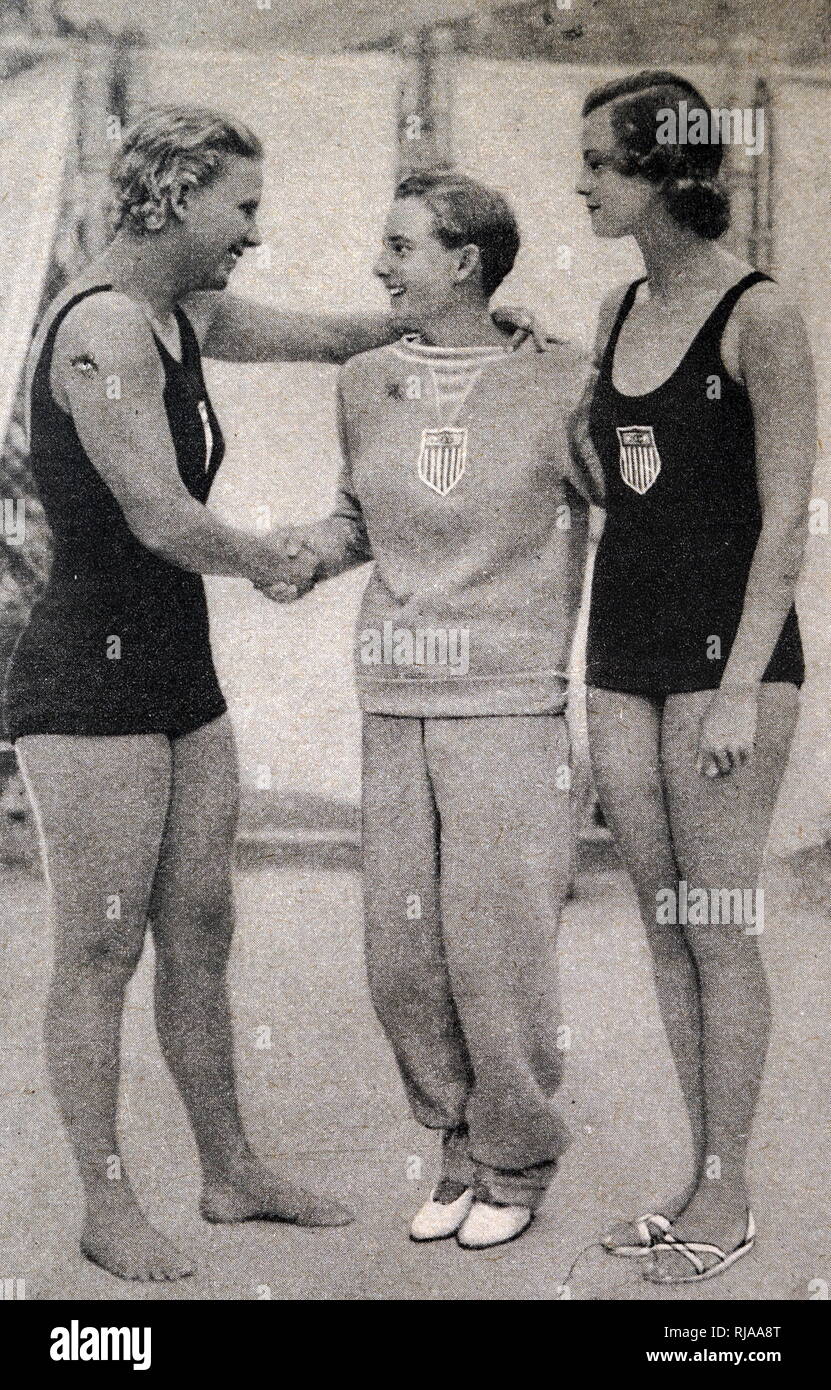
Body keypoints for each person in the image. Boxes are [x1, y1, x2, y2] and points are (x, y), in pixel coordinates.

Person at [2, 105, 539, 1283]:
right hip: (84, 679)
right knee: (98, 951)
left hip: (176, 670)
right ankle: (104, 1201)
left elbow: (319, 337)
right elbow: (161, 517)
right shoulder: (100, 328)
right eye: (241, 206)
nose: (256, 228)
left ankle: (230, 1171)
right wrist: (284, 555)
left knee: (201, 929)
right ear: (176, 197)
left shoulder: (178, 310)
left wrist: (457, 324)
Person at [269, 170, 596, 1250]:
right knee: (401, 957)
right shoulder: (366, 381)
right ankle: (457, 1141)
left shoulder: (564, 382)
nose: (379, 264)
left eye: (400, 247)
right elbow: (356, 515)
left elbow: (637, 513)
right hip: (395, 691)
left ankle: (516, 1158)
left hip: (509, 701)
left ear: (465, 263)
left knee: (494, 949)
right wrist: (309, 551)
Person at [573, 71, 815, 1283]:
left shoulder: (760, 312)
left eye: (601, 166)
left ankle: (733, 1190)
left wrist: (738, 682)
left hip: (732, 657)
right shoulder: (619, 309)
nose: (582, 184)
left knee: (718, 923)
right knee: (664, 922)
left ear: (667, 173)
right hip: (624, 647)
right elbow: (606, 463)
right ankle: (697, 1171)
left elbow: (788, 513)